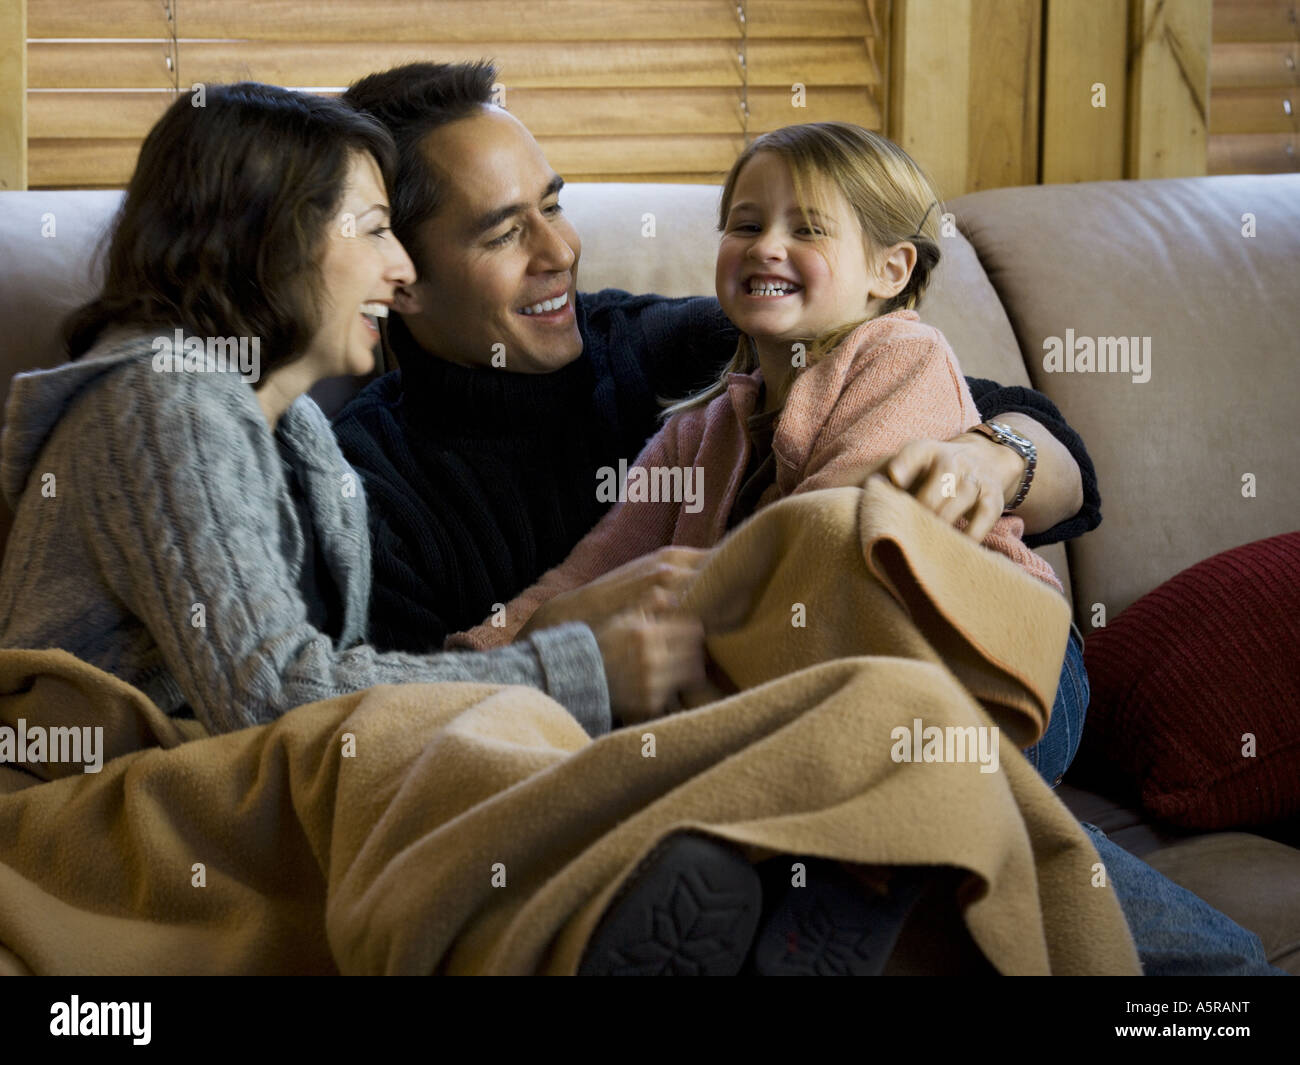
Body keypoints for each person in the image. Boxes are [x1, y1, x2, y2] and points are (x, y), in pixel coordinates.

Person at [332, 62, 1282, 977]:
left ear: (888, 271)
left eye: (556, 204)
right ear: (399, 274)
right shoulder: (668, 423)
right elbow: (581, 574)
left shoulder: (827, 347)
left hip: (983, 659)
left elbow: (855, 529)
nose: (561, 252)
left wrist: (995, 456)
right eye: (507, 232)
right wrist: (526, 640)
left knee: (834, 610)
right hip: (792, 718)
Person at [0, 82, 705, 738]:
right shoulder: (166, 404)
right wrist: (577, 669)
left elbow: (337, 683)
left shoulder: (294, 429)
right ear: (271, 245)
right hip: (93, 801)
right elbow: (271, 696)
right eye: (373, 231)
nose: (400, 270)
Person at [449, 122, 1061, 668]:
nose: (766, 246)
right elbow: (595, 568)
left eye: (808, 229)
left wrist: (676, 609)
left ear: (890, 271)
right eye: (746, 225)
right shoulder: (695, 431)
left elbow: (826, 536)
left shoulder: (904, 358)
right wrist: (479, 661)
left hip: (994, 656)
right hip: (829, 665)